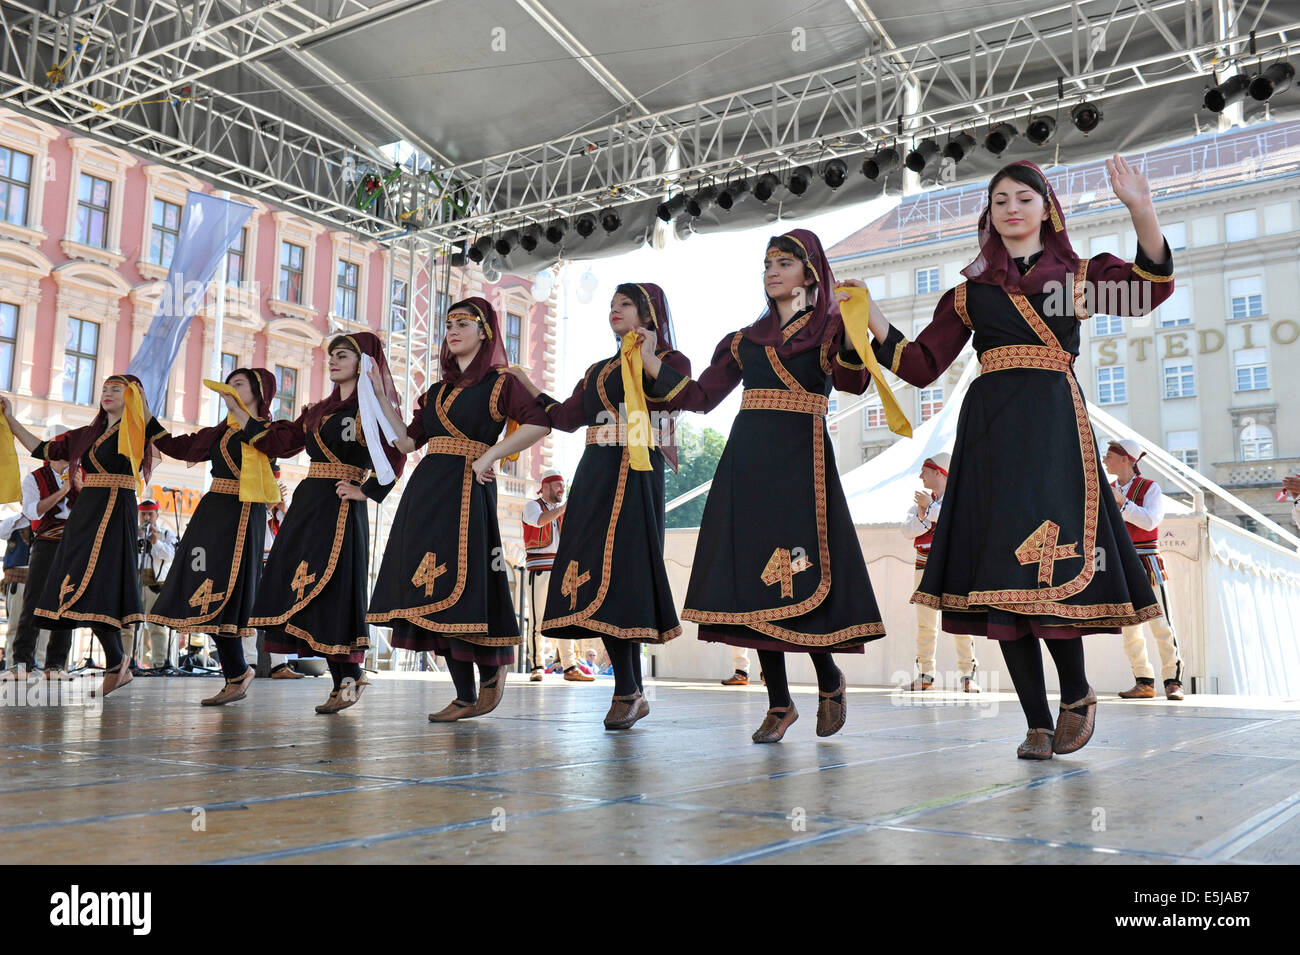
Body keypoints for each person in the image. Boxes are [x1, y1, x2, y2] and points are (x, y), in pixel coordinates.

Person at [842, 156, 1175, 759]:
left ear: (1046, 208)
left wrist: (1141, 209)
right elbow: (920, 366)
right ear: (990, 217)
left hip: (1053, 428)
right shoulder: (968, 295)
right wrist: (873, 317)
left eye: (1024, 197)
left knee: (1050, 563)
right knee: (1000, 583)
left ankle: (1076, 693)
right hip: (989, 435)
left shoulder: (1077, 274)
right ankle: (1036, 721)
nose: (1012, 208)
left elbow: (1149, 290)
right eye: (1001, 201)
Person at [643, 230, 885, 743]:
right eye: (767, 262)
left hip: (803, 462)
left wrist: (853, 332)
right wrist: (649, 361)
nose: (772, 270)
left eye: (785, 262)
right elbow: (701, 396)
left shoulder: (832, 327)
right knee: (753, 578)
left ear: (810, 272)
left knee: (801, 570)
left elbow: (854, 383)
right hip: (745, 465)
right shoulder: (743, 340)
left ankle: (828, 678)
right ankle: (778, 701)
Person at [510, 283, 690, 730]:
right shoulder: (596, 371)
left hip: (637, 469)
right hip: (594, 475)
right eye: (611, 305)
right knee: (595, 577)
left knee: (625, 573)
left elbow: (679, 398)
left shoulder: (669, 361)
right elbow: (566, 418)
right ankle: (628, 689)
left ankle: (629, 689)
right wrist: (528, 384)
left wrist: (647, 355)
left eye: (625, 304)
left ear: (648, 311)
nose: (614, 311)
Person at [366, 297, 549, 721]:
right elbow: (408, 443)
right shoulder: (437, 392)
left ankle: (489, 668)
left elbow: (540, 422)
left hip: (469, 488)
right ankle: (464, 693)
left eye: (463, 322)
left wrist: (490, 457)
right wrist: (377, 393)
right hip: (426, 492)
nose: (452, 329)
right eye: (448, 323)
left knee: (467, 584)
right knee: (425, 587)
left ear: (485, 331)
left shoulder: (503, 383)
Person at [237, 334, 405, 714]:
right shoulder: (317, 410)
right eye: (331, 355)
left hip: (342, 504)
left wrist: (369, 491)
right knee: (296, 583)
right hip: (308, 501)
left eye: (342, 355)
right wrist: (243, 414)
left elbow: (395, 452)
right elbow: (281, 442)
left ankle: (347, 677)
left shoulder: (371, 407)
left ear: (363, 363)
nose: (333, 360)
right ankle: (344, 678)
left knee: (334, 589)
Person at [2, 374, 166, 697]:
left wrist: (142, 406)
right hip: (87, 514)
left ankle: (116, 663)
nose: (107, 393)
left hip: (114, 509)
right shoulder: (87, 434)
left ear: (132, 395)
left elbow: (161, 436)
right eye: (104, 388)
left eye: (116, 389)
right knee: (80, 588)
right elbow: (41, 448)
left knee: (95, 585)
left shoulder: (135, 429)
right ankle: (118, 662)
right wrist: (9, 418)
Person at [149, 368, 282, 705]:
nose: (229, 388)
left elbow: (272, 451)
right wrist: (147, 420)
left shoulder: (266, 431)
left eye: (238, 384)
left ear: (258, 392)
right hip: (213, 511)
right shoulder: (219, 433)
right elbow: (180, 446)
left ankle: (237, 670)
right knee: (200, 585)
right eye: (229, 382)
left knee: (228, 591)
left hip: (242, 512)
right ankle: (236, 672)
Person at [1103, 439, 1184, 701]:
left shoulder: (1151, 488)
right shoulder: (1109, 488)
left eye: (1110, 456)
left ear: (1126, 459)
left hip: (1147, 560)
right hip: (1123, 561)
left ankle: (1173, 680)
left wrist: (1122, 503)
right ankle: (1143, 681)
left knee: (1160, 623)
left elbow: (1150, 522)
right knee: (1129, 626)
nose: (1105, 460)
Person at [900, 452, 978, 692]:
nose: (921, 476)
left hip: (952, 566)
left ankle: (968, 676)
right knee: (926, 623)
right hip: (924, 565)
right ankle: (925, 675)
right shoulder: (921, 504)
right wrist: (924, 514)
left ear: (938, 472)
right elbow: (907, 531)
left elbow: (952, 520)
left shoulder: (958, 501)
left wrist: (929, 508)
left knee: (960, 620)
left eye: (925, 471)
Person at [5, 458, 76, 678]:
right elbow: (33, 512)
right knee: (32, 605)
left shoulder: (79, 477)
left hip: (72, 544)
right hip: (45, 545)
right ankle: (21, 663)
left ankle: (55, 665)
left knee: (67, 605)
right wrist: (62, 491)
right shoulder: (35, 478)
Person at [522, 470, 591, 682]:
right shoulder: (533, 506)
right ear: (546, 486)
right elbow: (539, 521)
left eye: (563, 485)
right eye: (558, 485)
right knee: (537, 620)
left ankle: (570, 666)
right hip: (540, 568)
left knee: (565, 618)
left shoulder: (563, 510)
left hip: (562, 569)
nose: (562, 489)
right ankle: (537, 666)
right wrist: (563, 510)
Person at [134, 499, 179, 669]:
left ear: (156, 515)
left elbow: (171, 556)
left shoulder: (167, 534)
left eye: (149, 514)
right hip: (136, 582)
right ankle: (128, 663)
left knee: (157, 626)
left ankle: (159, 664)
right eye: (143, 514)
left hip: (156, 583)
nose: (146, 517)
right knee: (129, 625)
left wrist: (155, 542)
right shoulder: (132, 532)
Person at [0, 512, 29, 677]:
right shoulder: (16, 521)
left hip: (41, 578)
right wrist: (22, 516)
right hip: (18, 580)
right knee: (15, 626)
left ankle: (40, 664)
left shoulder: (49, 520)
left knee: (43, 628)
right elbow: (2, 531)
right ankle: (12, 665)